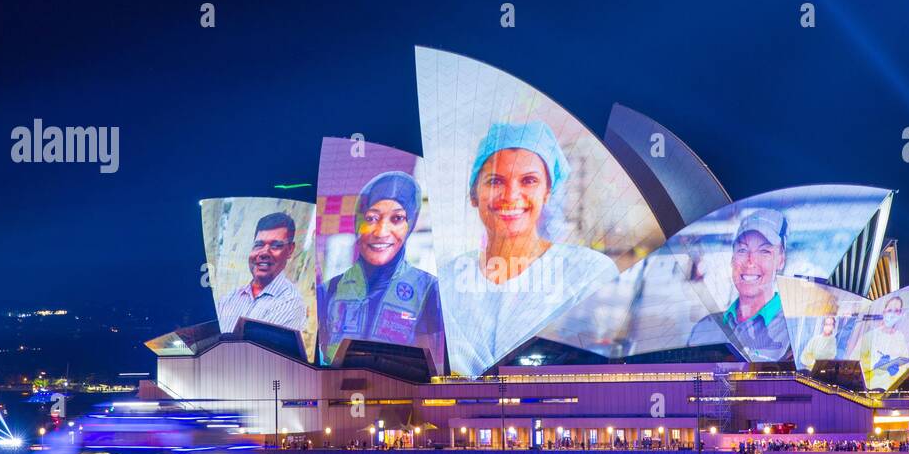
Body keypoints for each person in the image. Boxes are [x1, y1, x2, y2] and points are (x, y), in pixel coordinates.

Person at [439, 121, 618, 375]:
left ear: (547, 192)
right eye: (495, 181)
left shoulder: (588, 274)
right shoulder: (446, 281)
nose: (511, 195)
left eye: (529, 180)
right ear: (473, 193)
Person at [319, 171, 442, 362]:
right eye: (371, 218)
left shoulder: (430, 291)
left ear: (410, 225)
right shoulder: (327, 291)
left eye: (397, 219)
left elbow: (438, 368)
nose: (381, 232)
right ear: (358, 222)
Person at [688, 208, 791, 362]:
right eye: (742, 250)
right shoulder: (703, 329)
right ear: (732, 258)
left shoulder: (795, 332)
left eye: (764, 251)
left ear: (781, 260)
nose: (750, 261)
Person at [217, 211, 308, 333]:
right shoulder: (230, 297)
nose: (264, 253)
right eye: (259, 245)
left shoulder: (291, 303)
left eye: (275, 245)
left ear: (290, 250)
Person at [861, 295, 909, 389]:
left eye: (896, 311)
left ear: (900, 314)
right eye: (890, 310)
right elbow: (858, 367)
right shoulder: (870, 336)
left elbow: (905, 364)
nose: (893, 314)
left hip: (893, 389)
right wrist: (875, 369)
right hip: (873, 389)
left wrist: (897, 372)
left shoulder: (900, 337)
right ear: (884, 312)